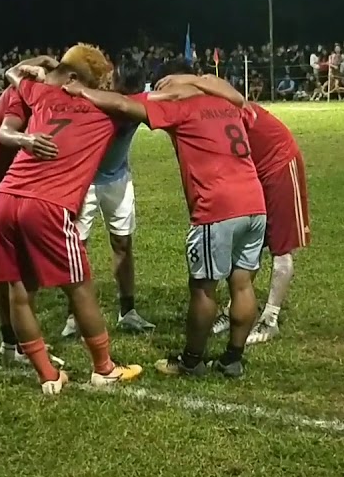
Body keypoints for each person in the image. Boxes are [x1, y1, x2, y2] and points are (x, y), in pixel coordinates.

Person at [66, 64, 265, 379]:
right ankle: (233, 359)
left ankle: (191, 361)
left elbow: (121, 104)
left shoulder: (179, 104)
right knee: (241, 285)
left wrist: (80, 90)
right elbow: (222, 91)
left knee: (203, 289)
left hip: (218, 206)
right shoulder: (226, 102)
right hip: (255, 202)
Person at [0, 47, 142, 395]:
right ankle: (104, 368)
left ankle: (48, 376)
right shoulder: (105, 111)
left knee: (19, 290)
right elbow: (129, 105)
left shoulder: (43, 95)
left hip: (7, 196)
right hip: (47, 204)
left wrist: (46, 65)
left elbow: (13, 73)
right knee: (79, 286)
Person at [166, 76, 310, 346]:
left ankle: (270, 317)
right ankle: (234, 309)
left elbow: (213, 82)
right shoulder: (210, 107)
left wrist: (186, 79)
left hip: (279, 162)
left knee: (281, 245)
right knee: (249, 244)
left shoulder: (221, 102)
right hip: (252, 171)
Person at [0, 77, 65, 369]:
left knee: (5, 270)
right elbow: (5, 133)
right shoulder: (21, 95)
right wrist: (28, 141)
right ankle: (18, 345)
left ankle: (12, 343)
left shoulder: (35, 96)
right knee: (13, 272)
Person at [61, 68, 155, 339]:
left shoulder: (138, 104)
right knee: (76, 249)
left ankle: (128, 312)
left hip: (119, 181)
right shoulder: (90, 104)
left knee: (123, 243)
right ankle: (73, 315)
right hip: (83, 182)